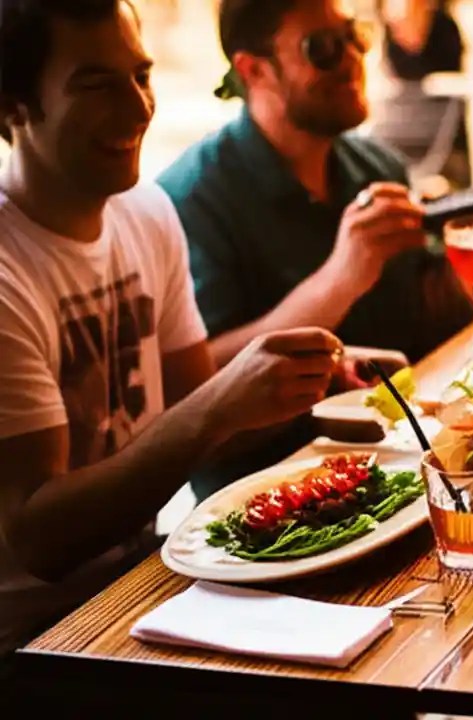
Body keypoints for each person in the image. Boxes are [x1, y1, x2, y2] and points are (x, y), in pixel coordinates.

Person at [0, 0, 341, 655]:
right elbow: (39, 540)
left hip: (145, 584)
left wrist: (305, 383)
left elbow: (201, 430)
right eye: (97, 85)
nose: (137, 109)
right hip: (35, 638)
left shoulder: (145, 211)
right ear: (13, 107)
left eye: (141, 75)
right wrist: (220, 403)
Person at [157, 0, 473, 498]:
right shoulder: (190, 200)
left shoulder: (379, 168)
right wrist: (341, 278)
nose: (353, 57)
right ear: (254, 70)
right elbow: (197, 393)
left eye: (354, 37)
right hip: (268, 514)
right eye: (324, 48)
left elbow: (441, 338)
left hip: (411, 481)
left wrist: (453, 262)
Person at [372, 0, 470, 188]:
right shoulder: (389, 34)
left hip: (442, 125)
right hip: (405, 125)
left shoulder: (444, 28)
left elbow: (453, 80)